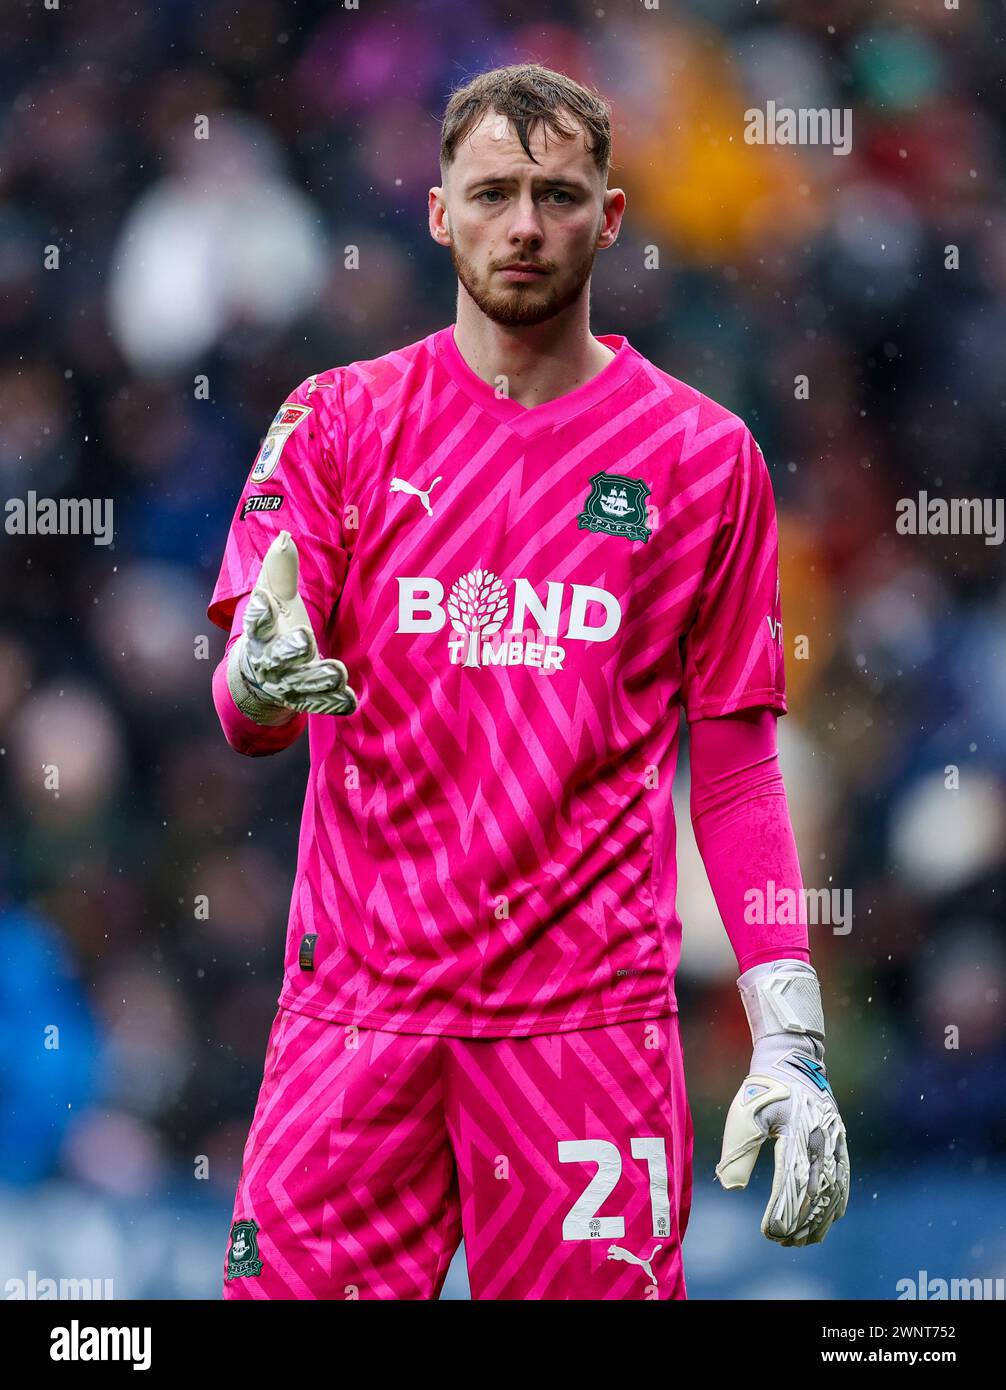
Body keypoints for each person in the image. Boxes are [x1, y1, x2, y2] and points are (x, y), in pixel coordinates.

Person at [207, 63, 849, 1301]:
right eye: (492, 191)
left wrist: (790, 1032)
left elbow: (732, 763)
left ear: (609, 217)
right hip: (358, 1016)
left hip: (587, 1035)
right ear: (438, 212)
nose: (523, 225)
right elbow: (245, 719)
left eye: (556, 195)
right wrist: (262, 678)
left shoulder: (702, 458)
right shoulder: (336, 422)